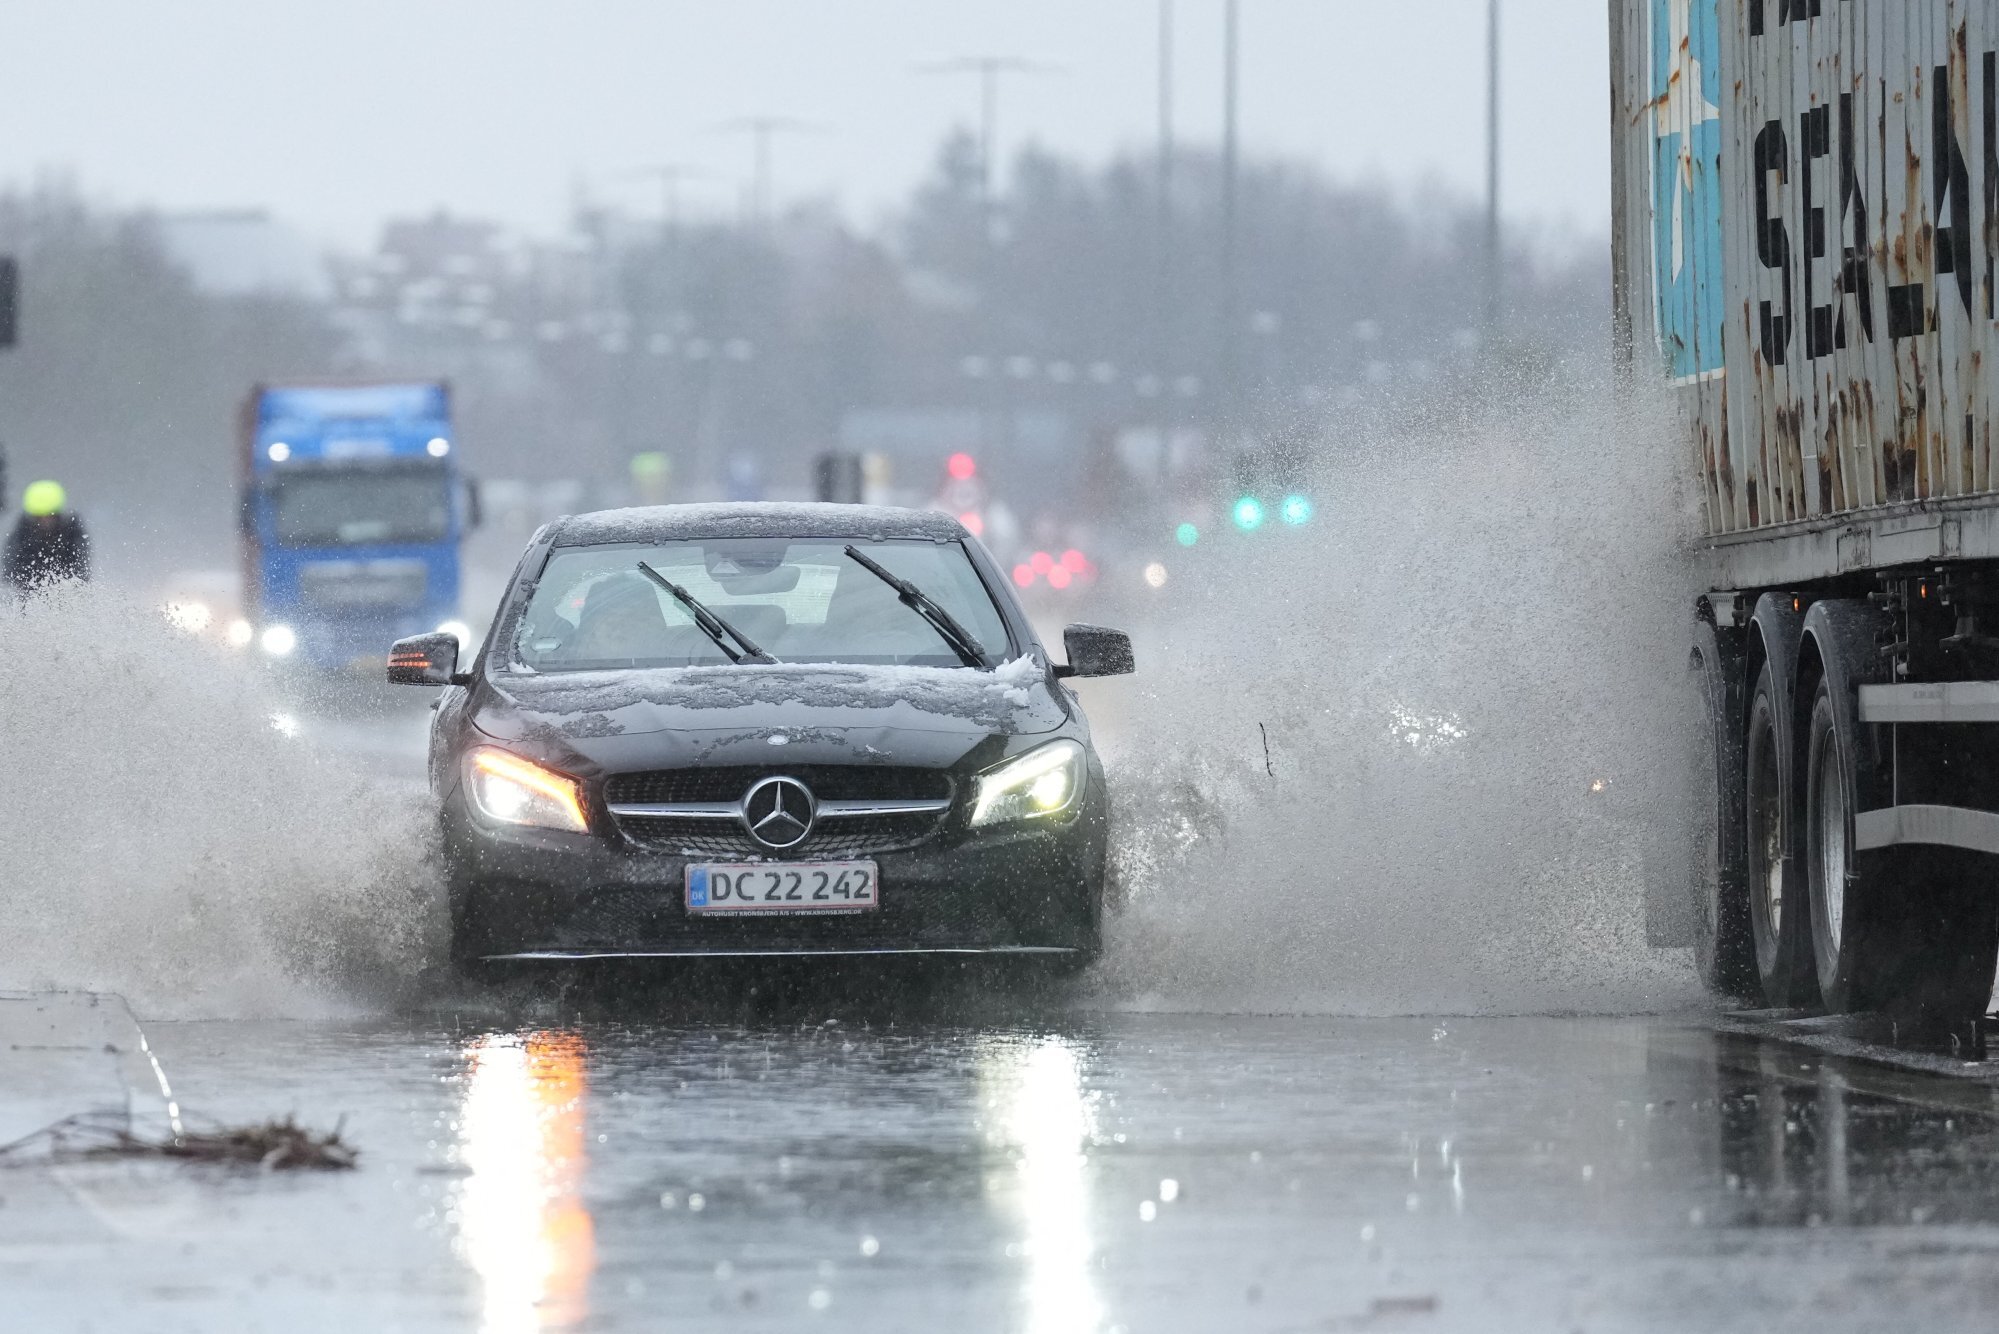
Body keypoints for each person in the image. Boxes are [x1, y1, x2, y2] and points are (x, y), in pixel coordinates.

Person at [4, 479, 90, 592]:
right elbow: (11, 570)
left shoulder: (72, 532)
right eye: (39, 518)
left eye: (50, 516)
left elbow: (80, 569)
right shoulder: (21, 534)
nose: (45, 522)